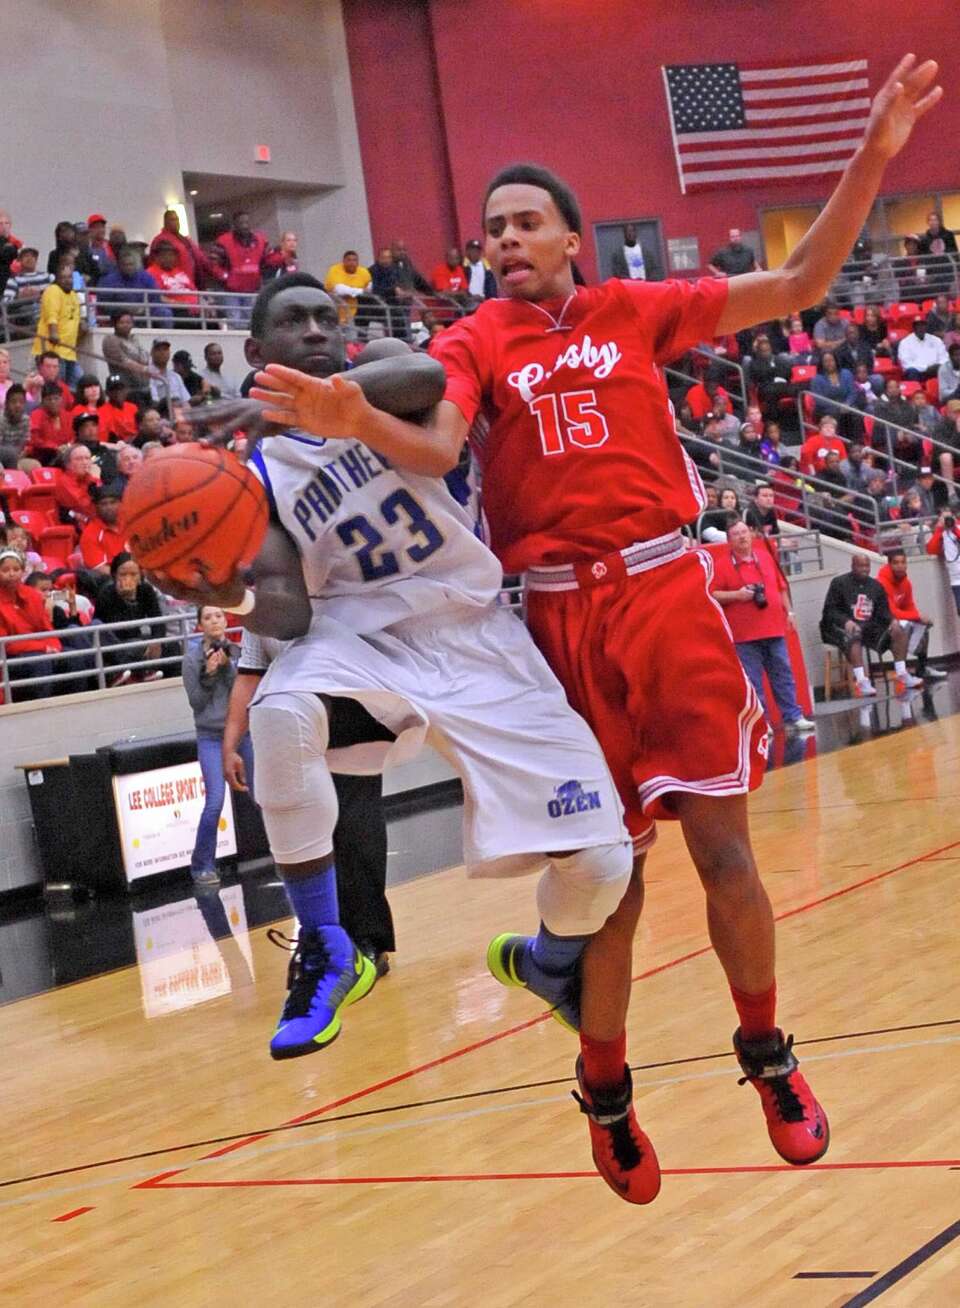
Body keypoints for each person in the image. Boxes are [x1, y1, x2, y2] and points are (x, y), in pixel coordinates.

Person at [253, 60, 942, 1197]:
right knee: (607, 876)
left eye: (526, 223)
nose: (505, 240)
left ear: (576, 237)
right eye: (491, 229)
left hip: (668, 595)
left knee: (727, 854)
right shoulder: (476, 337)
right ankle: (607, 1090)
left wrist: (873, 150)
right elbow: (434, 450)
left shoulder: (636, 310)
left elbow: (806, 277)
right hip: (560, 619)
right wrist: (356, 416)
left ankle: (768, 1054)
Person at [161, 275, 646, 1200]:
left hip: (475, 633)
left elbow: (427, 374)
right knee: (280, 714)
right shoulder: (255, 477)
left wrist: (336, 403)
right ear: (257, 341)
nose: (313, 331)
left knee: (601, 865)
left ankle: (546, 962)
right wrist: (214, 585)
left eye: (324, 319)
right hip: (359, 641)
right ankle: (328, 943)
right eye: (290, 321)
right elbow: (290, 610)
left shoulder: (384, 374)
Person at [225, 627, 396, 974]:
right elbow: (250, 676)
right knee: (303, 838)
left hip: (353, 713)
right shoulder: (259, 610)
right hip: (295, 724)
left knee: (354, 829)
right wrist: (229, 742)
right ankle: (321, 939)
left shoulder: (336, 586)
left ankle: (366, 940)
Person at [711, 520, 814, 731]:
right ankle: (761, 722)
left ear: (751, 534)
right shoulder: (722, 565)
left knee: (784, 675)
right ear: (729, 540)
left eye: (744, 532)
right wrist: (738, 595)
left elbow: (781, 587)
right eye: (736, 534)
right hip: (744, 635)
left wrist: (790, 611)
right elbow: (712, 594)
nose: (742, 536)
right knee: (753, 682)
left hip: (774, 629)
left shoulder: (766, 557)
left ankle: (793, 716)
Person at [182, 605, 254, 887]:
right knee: (214, 802)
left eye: (219, 616)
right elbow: (197, 703)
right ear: (200, 624)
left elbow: (242, 691)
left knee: (261, 795)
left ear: (225, 620)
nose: (215, 621)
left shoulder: (236, 652)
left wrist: (226, 669)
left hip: (241, 735)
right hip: (211, 736)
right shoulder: (191, 659)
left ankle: (284, 855)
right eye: (208, 617)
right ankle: (202, 866)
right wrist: (209, 675)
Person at [820, 553, 919, 696]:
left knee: (898, 631)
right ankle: (861, 681)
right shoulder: (839, 583)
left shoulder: (876, 586)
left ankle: (902, 673)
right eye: (861, 566)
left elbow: (883, 612)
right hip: (839, 627)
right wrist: (846, 621)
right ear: (853, 566)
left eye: (867, 566)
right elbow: (829, 611)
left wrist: (892, 621)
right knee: (854, 634)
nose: (865, 569)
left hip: (867, 626)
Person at [93, 552, 166, 685]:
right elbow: (117, 627)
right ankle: (134, 672)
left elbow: (158, 620)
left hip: (137, 639)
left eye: (133, 574)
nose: (128, 579)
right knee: (134, 646)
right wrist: (127, 600)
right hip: (113, 643)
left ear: (140, 575)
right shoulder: (106, 592)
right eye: (123, 574)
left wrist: (157, 641)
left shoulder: (146, 590)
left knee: (170, 645)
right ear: (115, 575)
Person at [0, 547, 62, 701]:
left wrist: (55, 647)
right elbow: (6, 645)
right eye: (5, 570)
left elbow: (46, 628)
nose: (12, 573)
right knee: (39, 662)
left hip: (38, 649)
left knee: (74, 657)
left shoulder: (32, 595)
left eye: (16, 569)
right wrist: (43, 647)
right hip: (9, 658)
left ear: (22, 571)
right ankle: (42, 709)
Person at [877, 549, 945, 680]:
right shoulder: (881, 583)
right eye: (896, 563)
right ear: (889, 565)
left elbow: (909, 606)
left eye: (903, 562)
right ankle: (902, 672)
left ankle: (922, 668)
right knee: (906, 624)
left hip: (898, 622)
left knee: (922, 625)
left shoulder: (906, 583)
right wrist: (917, 617)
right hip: (883, 626)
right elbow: (892, 612)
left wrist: (919, 619)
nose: (900, 566)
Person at [33, 261, 83, 386]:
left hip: (70, 352)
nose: (68, 280)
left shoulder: (73, 295)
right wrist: (53, 333)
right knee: (57, 388)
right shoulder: (53, 290)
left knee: (77, 386)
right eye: (63, 277)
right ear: (57, 279)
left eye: (70, 277)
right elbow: (52, 315)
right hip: (52, 352)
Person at [96, 245, 172, 326]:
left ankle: (166, 337)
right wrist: (125, 309)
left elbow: (155, 298)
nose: (128, 267)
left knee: (165, 313)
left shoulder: (145, 277)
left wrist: (145, 308)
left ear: (135, 264)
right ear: (119, 265)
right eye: (125, 265)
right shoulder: (109, 280)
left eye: (131, 264)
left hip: (144, 311)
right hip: (119, 314)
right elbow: (103, 305)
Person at [100, 311, 154, 401]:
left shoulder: (134, 339)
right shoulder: (110, 339)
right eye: (122, 322)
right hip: (124, 388)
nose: (126, 325)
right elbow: (122, 361)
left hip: (143, 385)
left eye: (128, 322)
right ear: (114, 324)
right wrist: (144, 369)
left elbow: (145, 357)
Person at [1, 247, 52, 331]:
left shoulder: (48, 276)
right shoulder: (14, 280)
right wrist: (19, 297)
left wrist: (40, 293)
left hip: (49, 310)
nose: (30, 259)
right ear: (20, 261)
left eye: (33, 256)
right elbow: (5, 301)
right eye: (26, 256)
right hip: (28, 314)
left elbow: (59, 291)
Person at [78, 482, 125, 573]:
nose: (109, 507)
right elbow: (101, 569)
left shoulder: (131, 525)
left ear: (121, 504)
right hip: (111, 581)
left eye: (113, 502)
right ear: (96, 507)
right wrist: (133, 575)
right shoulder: (90, 534)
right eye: (104, 504)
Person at [27, 382, 71, 465]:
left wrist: (67, 446)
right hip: (41, 456)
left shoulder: (68, 416)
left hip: (65, 454)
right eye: (49, 399)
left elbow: (73, 438)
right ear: (43, 401)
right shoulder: (37, 415)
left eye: (56, 398)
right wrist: (55, 447)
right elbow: (35, 440)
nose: (53, 402)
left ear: (61, 399)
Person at [926, 508, 960, 614]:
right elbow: (931, 550)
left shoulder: (957, 527)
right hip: (956, 579)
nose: (947, 520)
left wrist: (954, 528)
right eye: (944, 518)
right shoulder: (941, 533)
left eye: (949, 517)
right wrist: (939, 530)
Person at [148, 339, 191, 414]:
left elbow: (186, 401)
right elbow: (155, 403)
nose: (162, 352)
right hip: (161, 414)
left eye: (165, 349)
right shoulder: (148, 376)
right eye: (158, 350)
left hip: (180, 415)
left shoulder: (176, 376)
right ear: (152, 353)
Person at [98, 376, 139, 444]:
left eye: (121, 389)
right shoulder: (102, 411)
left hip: (137, 442)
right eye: (113, 389)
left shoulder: (133, 407)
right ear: (107, 392)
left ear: (127, 390)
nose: (118, 392)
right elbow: (111, 438)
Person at [0, 385, 30, 469]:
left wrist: (22, 453)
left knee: (34, 465)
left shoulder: (26, 420)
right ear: (6, 403)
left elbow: (24, 444)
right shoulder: (1, 419)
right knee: (10, 453)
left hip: (16, 456)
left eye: (21, 402)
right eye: (13, 402)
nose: (18, 405)